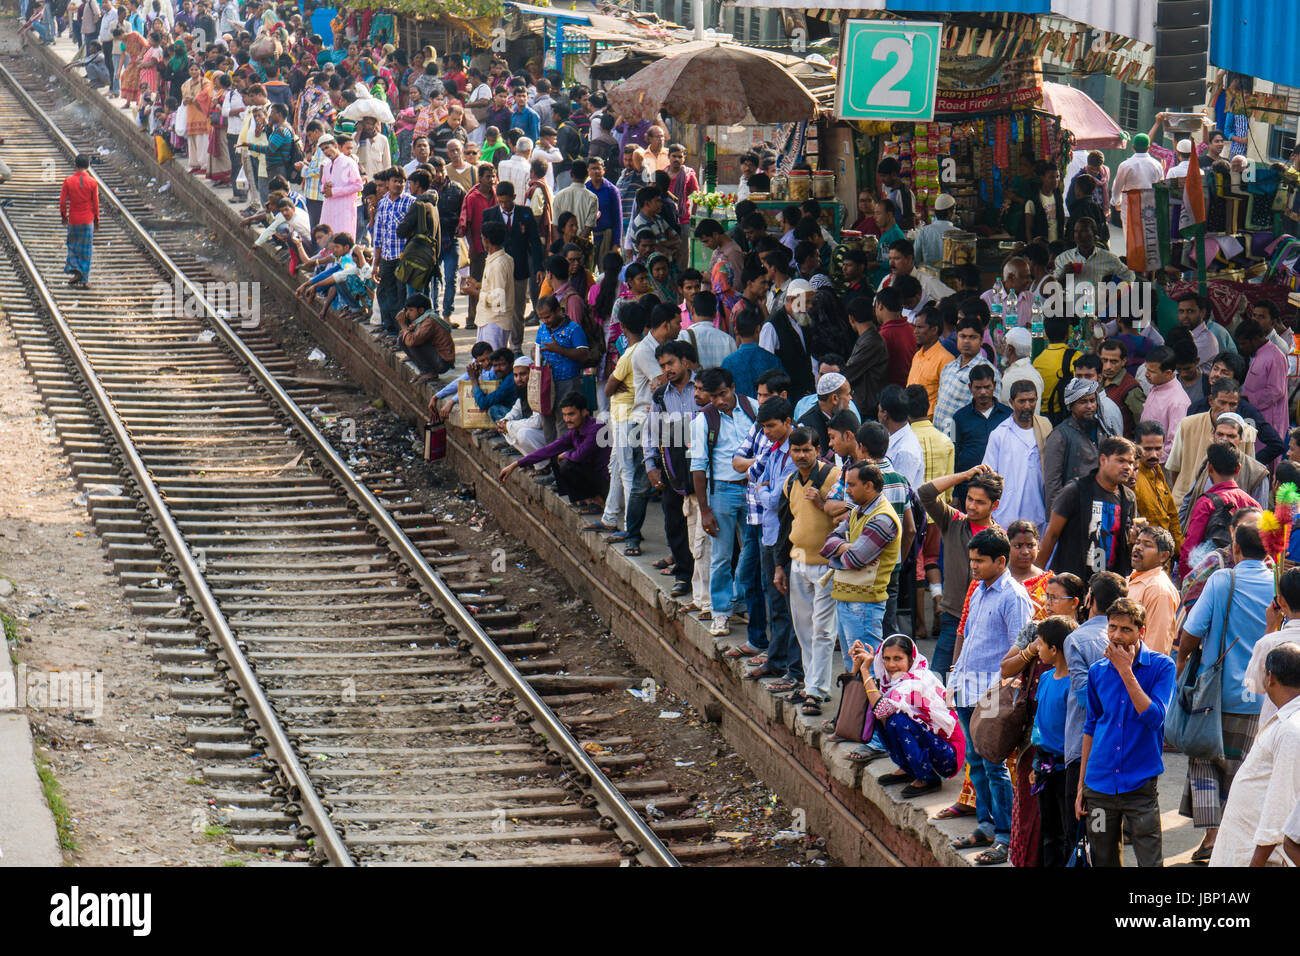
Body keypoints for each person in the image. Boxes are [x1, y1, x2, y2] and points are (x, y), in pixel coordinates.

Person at [1178, 518, 1276, 862]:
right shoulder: (1278, 584)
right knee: (1245, 771)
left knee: (1206, 762)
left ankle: (1213, 836)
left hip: (1217, 694)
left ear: (1235, 549)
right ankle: (1234, 838)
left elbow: (1192, 631)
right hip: (1266, 695)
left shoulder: (1223, 580)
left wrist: (1181, 662)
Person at [950, 528, 1032, 864]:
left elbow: (1021, 649)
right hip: (968, 690)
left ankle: (1004, 836)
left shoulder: (1014, 597)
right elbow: (969, 637)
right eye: (971, 560)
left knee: (995, 766)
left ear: (1001, 561)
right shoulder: (980, 591)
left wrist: (1004, 696)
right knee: (977, 763)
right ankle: (985, 825)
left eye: (979, 561)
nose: (973, 566)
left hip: (992, 695)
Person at [1076, 596, 1176, 868]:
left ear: (1141, 632)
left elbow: (1155, 718)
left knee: (1150, 860)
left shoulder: (1162, 667)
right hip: (1098, 786)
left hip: (1140, 786)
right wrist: (1081, 786)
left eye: (1126, 629)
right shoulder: (1097, 672)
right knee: (1102, 859)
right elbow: (1091, 726)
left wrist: (1126, 672)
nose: (1117, 636)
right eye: (1112, 628)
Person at [1209, 641, 1300, 867]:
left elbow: (1281, 804)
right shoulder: (1287, 721)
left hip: (1257, 855)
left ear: (1271, 678)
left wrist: (1257, 861)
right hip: (1245, 846)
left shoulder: (1290, 730)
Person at [775, 427, 840, 713]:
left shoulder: (833, 477)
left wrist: (822, 503)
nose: (801, 455)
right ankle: (810, 683)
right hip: (798, 562)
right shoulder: (790, 482)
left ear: (818, 449)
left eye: (807, 450)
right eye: (796, 450)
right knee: (803, 628)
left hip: (827, 566)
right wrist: (780, 565)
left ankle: (816, 690)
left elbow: (847, 514)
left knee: (823, 630)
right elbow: (784, 524)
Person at [691, 367, 758, 638]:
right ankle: (720, 612)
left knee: (750, 552)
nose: (719, 401)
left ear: (732, 387)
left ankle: (739, 600)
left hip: (753, 489)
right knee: (721, 556)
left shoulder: (752, 407)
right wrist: (704, 510)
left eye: (723, 394)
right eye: (714, 396)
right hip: (723, 492)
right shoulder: (703, 421)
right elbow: (698, 467)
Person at [853, 635, 965, 798]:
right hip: (935, 746)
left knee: (896, 720)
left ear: (911, 660)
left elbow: (882, 709)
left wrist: (864, 670)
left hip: (948, 756)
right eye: (887, 659)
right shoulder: (892, 682)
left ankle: (928, 778)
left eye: (898, 658)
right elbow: (866, 705)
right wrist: (857, 666)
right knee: (884, 716)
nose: (891, 665)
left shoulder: (916, 681)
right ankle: (909, 768)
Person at [920, 465, 1003, 680]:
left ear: (995, 505)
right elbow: (925, 493)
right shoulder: (954, 521)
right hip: (953, 617)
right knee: (937, 680)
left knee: (978, 684)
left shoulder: (1000, 538)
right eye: (969, 499)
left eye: (980, 502)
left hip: (986, 623)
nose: (972, 506)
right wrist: (964, 475)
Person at [822, 462, 902, 674]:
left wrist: (841, 551)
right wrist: (845, 548)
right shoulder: (858, 510)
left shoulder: (883, 518)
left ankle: (870, 708)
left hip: (864, 606)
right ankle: (860, 707)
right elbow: (828, 542)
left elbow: (853, 560)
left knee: (868, 669)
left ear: (868, 486)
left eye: (851, 485)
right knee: (854, 667)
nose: (846, 490)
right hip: (849, 602)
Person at [1039, 435, 1137, 584]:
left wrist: (1133, 541)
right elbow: (1052, 534)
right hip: (1072, 582)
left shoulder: (1128, 498)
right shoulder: (1076, 491)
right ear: (1103, 460)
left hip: (1108, 587)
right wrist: (1037, 578)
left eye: (1130, 463)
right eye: (1121, 460)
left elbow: (1124, 545)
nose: (1127, 467)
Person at [1025, 614, 1079, 866]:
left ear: (1054, 649)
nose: (1037, 647)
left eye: (1040, 642)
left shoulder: (1073, 685)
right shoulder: (1046, 678)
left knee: (1068, 831)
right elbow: (1040, 723)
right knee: (1049, 831)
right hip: (1045, 764)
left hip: (1065, 768)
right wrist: (1037, 764)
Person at [498, 392, 608, 505]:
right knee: (556, 456)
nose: (567, 419)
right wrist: (515, 464)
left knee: (566, 463)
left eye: (571, 414)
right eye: (564, 415)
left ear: (584, 412)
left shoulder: (597, 428)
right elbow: (548, 450)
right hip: (593, 474)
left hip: (605, 480)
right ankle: (585, 499)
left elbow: (580, 455)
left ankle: (595, 500)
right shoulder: (575, 431)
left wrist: (564, 455)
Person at [1166, 378, 1256, 506]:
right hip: (1186, 504)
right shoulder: (1187, 425)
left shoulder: (1247, 432)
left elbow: (1250, 472)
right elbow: (1174, 469)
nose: (1227, 409)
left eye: (1233, 404)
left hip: (1229, 505)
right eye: (1222, 402)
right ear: (1211, 401)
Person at [1179, 442, 1261, 578]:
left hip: (1211, 579)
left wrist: (1187, 583)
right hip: (1248, 578)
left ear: (1209, 467)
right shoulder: (1253, 505)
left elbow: (1189, 549)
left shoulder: (1206, 503)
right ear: (1238, 469)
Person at [982, 380, 1051, 530]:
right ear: (1012, 402)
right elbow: (988, 476)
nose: (1027, 406)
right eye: (1022, 401)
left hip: (1038, 514)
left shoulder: (1045, 428)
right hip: (1006, 515)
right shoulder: (1000, 434)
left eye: (1031, 400)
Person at [1042, 378, 1114, 512]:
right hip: (1075, 507)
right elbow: (1052, 483)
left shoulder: (1103, 430)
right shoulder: (1060, 435)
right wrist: (1056, 518)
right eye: (1083, 402)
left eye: (1092, 401)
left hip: (1102, 505)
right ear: (1071, 405)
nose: (1090, 406)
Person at [950, 365, 1010, 509]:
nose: (983, 392)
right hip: (968, 489)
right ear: (970, 387)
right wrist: (955, 493)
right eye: (978, 387)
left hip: (1000, 489)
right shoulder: (958, 417)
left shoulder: (1008, 415)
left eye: (987, 387)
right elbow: (954, 454)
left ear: (994, 386)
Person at [934, 313, 1000, 439]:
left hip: (963, 439)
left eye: (972, 337)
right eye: (962, 336)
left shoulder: (989, 373)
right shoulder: (949, 367)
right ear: (957, 338)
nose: (966, 341)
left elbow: (990, 414)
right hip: (940, 438)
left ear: (981, 340)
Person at [1109, 134, 1165, 256]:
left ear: (1133, 147)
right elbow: (1161, 188)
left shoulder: (1125, 165)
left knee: (1131, 241)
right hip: (1150, 210)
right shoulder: (1157, 165)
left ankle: (1134, 269)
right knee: (1148, 243)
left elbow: (1117, 187)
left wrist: (1116, 202)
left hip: (1130, 208)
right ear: (1149, 148)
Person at [1132, 421, 1183, 551]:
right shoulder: (1132, 477)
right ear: (1136, 446)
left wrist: (1179, 550)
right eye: (1147, 449)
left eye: (1158, 449)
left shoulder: (1157, 471)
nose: (1154, 455)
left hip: (1164, 554)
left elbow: (1172, 515)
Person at [1237, 318, 1289, 442]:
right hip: (1254, 417)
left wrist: (1249, 399)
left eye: (1244, 343)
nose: (1241, 347)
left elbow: (1276, 391)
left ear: (1255, 339)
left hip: (1269, 421)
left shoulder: (1274, 356)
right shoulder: (1257, 354)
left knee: (1265, 458)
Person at [1138, 346, 1189, 461]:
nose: (1146, 374)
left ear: (1168, 373)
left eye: (1152, 371)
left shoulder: (1177, 401)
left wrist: (1152, 460)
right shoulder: (1156, 386)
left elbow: (1174, 444)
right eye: (1146, 369)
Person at [59, 153, 100, 288]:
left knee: (73, 246)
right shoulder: (93, 182)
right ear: (88, 166)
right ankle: (84, 279)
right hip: (87, 221)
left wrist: (64, 216)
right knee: (87, 249)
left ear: (75, 166)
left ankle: (75, 269)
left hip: (74, 220)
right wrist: (97, 220)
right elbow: (95, 203)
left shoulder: (68, 181)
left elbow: (63, 202)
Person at [395, 293, 455, 381]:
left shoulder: (429, 321)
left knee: (410, 340)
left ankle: (429, 371)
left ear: (421, 310)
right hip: (438, 359)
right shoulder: (423, 319)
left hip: (442, 362)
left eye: (411, 310)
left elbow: (412, 341)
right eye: (407, 310)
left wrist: (403, 325)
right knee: (402, 339)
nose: (408, 314)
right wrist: (407, 328)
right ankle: (424, 370)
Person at [906, 306, 954, 416]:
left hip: (930, 422)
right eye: (915, 327)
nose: (915, 331)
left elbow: (946, 400)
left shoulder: (946, 359)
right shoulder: (917, 356)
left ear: (934, 330)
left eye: (920, 327)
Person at [876, 385, 923, 490]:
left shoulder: (906, 451)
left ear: (885, 414)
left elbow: (899, 491)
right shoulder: (888, 435)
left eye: (879, 410)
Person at [998, 327, 1042, 414]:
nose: (1001, 349)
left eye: (1003, 345)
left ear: (1010, 349)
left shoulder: (1011, 376)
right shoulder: (1034, 373)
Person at [914, 193, 957, 267]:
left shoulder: (923, 231)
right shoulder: (958, 233)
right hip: (951, 276)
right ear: (950, 212)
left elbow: (916, 257)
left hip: (928, 275)